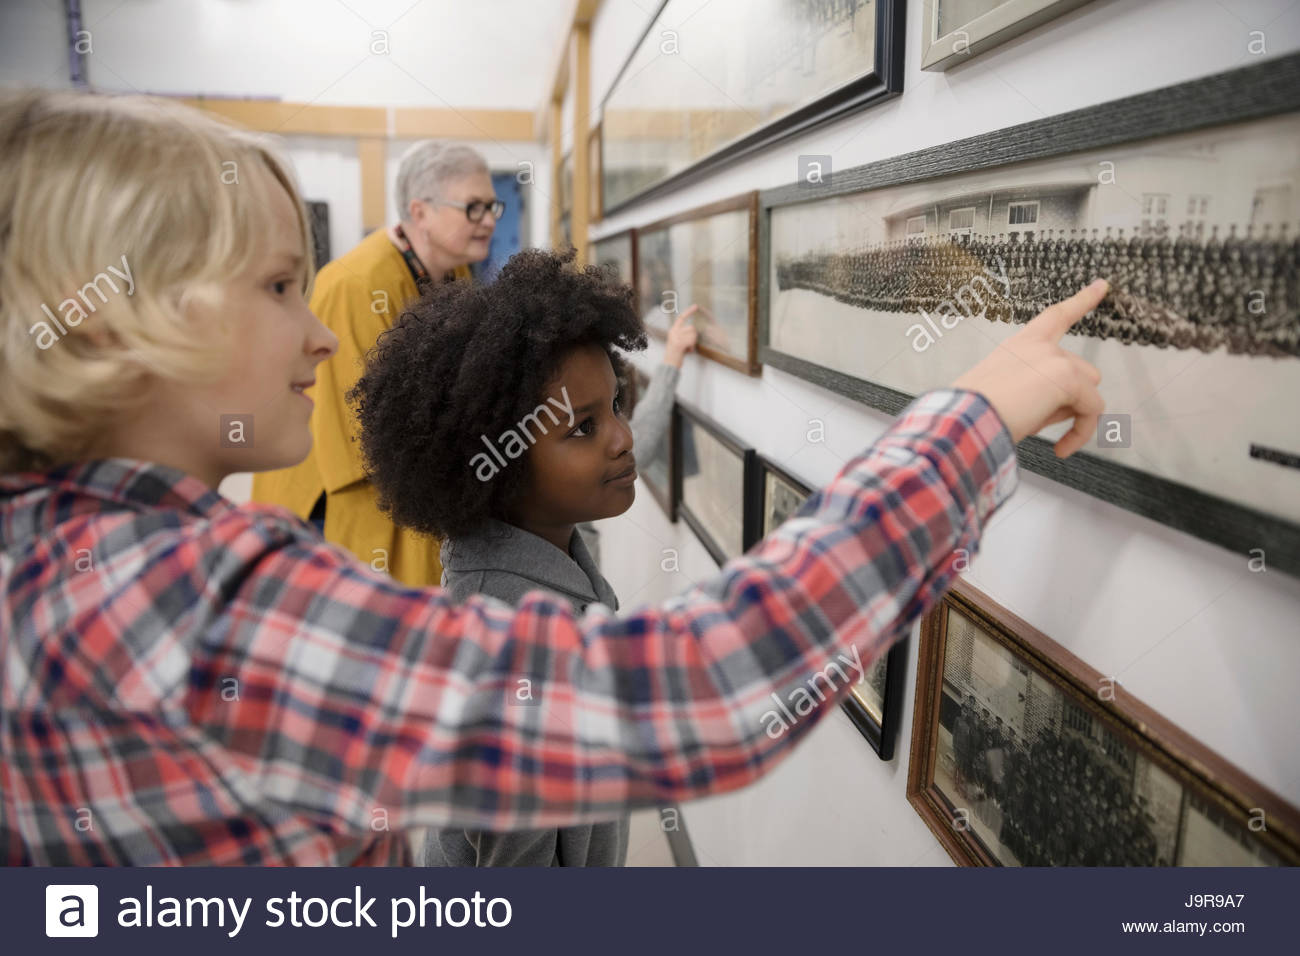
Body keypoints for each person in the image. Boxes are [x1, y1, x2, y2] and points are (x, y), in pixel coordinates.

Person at [0, 89, 1108, 865]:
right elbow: (702, 694)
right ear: (119, 328)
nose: (320, 336)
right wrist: (974, 420)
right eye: (281, 286)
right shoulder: (179, 605)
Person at [349, 251, 697, 865]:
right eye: (583, 428)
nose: (619, 436)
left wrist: (668, 369)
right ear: (499, 468)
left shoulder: (535, 543)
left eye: (615, 404)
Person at [250, 139, 500, 588]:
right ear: (420, 212)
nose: (488, 221)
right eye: (474, 208)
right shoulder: (357, 285)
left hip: (415, 476)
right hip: (343, 491)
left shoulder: (456, 272)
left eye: (491, 206)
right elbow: (367, 429)